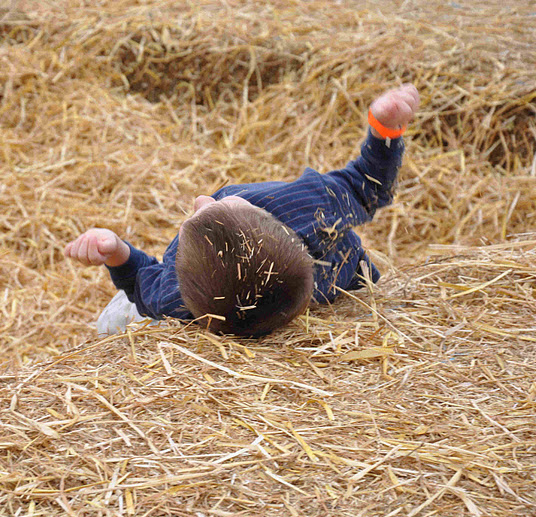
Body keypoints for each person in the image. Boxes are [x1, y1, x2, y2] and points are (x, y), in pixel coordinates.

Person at [65, 84, 420, 336]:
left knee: (114, 322)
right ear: (271, 219)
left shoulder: (175, 298)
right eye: (220, 205)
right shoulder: (311, 211)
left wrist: (116, 252)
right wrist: (385, 130)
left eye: (198, 214)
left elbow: (141, 284)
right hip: (352, 288)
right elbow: (369, 184)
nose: (202, 199)